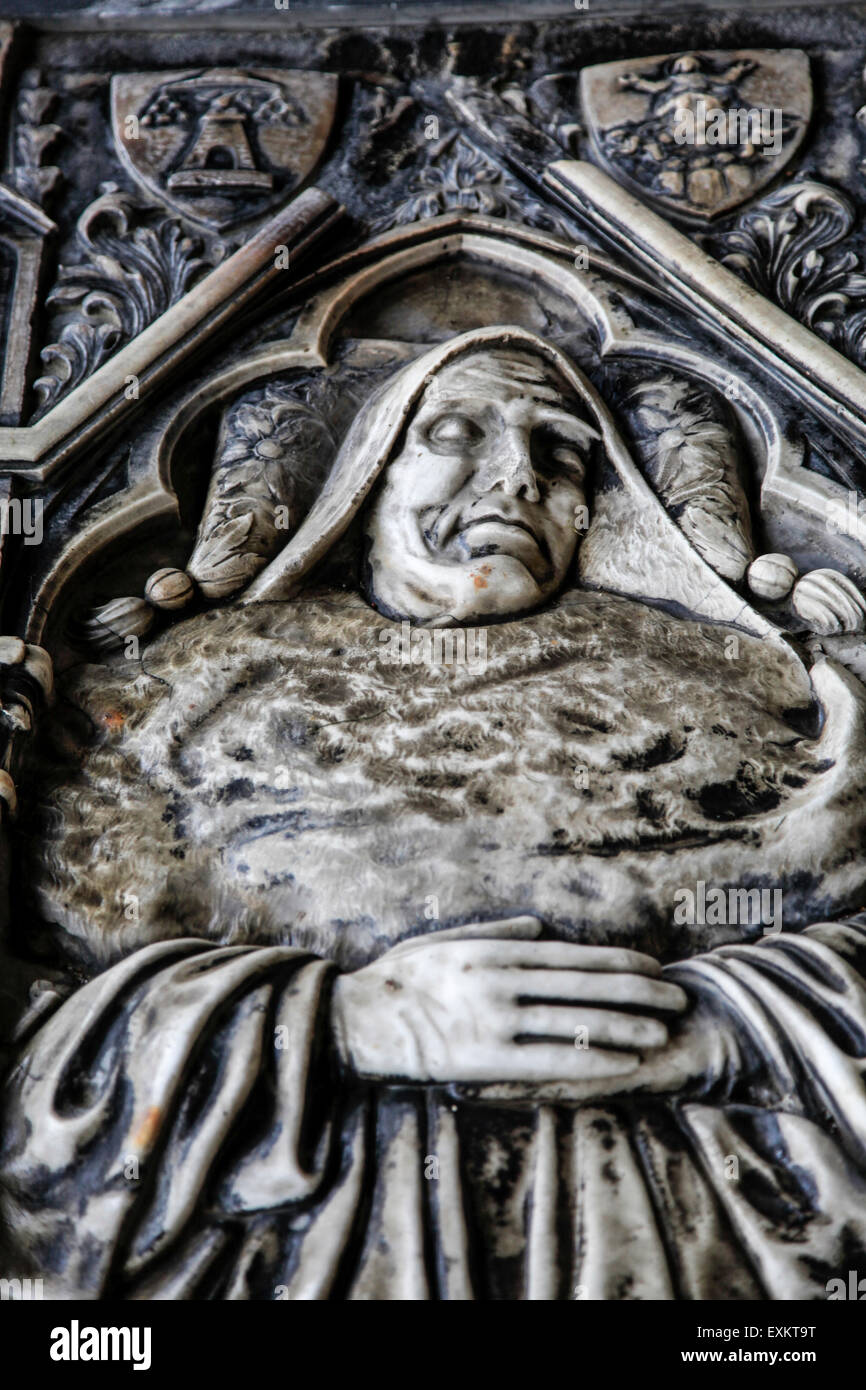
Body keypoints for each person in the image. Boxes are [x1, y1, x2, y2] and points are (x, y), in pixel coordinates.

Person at [3, 326, 866, 1300]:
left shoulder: (732, 689)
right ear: (366, 473)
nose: (518, 478)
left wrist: (716, 1029)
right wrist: (335, 1022)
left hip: (673, 1230)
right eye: (456, 429)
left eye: (561, 451)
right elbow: (38, 1037)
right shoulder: (181, 692)